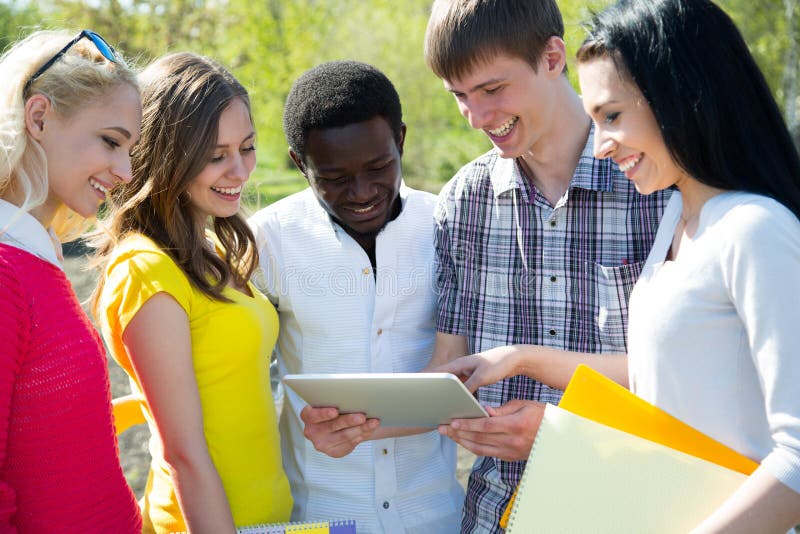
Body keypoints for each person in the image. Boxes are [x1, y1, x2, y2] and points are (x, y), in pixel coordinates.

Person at [420, 0, 672, 531]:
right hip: (495, 516)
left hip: (635, 511)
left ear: (553, 57)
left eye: (491, 90)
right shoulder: (463, 201)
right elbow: (449, 371)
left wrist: (565, 433)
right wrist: (361, 421)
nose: (477, 118)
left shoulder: (657, 185)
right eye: (460, 97)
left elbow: (695, 385)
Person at [574, 0, 800, 530]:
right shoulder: (676, 215)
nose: (601, 147)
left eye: (611, 116)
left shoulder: (755, 229)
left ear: (678, 95)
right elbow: (670, 380)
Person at [248, 60, 464, 533]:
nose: (362, 192)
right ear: (299, 162)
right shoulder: (266, 242)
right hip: (320, 516)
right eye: (335, 178)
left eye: (378, 166)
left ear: (401, 140)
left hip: (438, 517)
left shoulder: (447, 227)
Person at [92, 52, 292, 533]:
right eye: (215, 156)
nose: (240, 171)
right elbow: (183, 451)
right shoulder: (145, 269)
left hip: (267, 519)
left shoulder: (207, 247)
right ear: (167, 157)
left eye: (246, 147)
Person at [0, 29, 142, 531]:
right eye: (111, 142)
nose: (125, 171)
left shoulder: (37, 258)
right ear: (38, 117)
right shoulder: (5, 273)